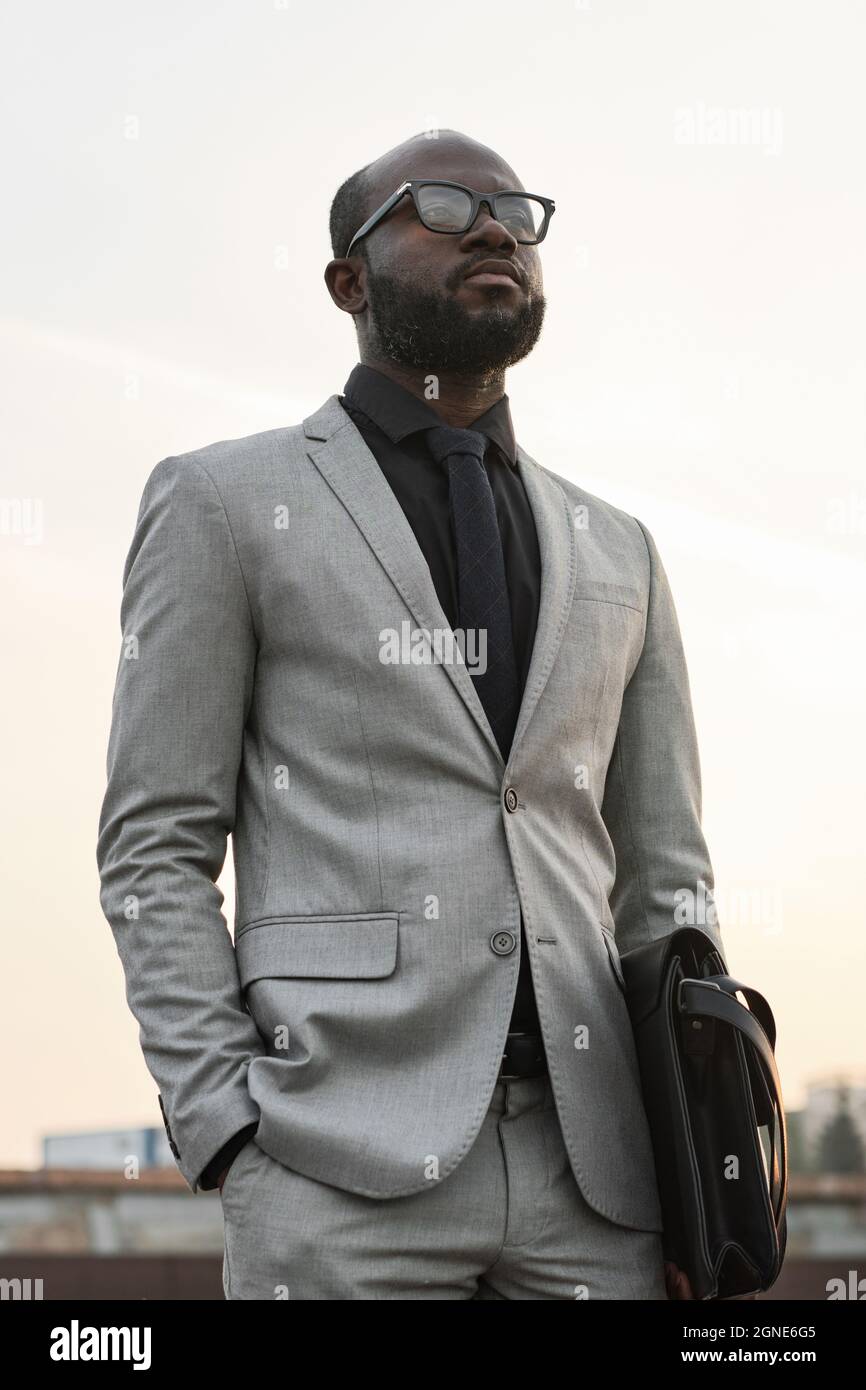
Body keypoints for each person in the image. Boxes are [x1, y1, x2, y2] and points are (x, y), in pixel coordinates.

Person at [97, 128, 724, 1299]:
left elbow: (666, 877)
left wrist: (702, 1166)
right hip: (331, 1162)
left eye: (516, 214)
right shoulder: (224, 503)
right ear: (348, 278)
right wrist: (225, 1125)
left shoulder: (617, 548)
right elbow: (154, 845)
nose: (494, 229)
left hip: (602, 1186)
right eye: (439, 207)